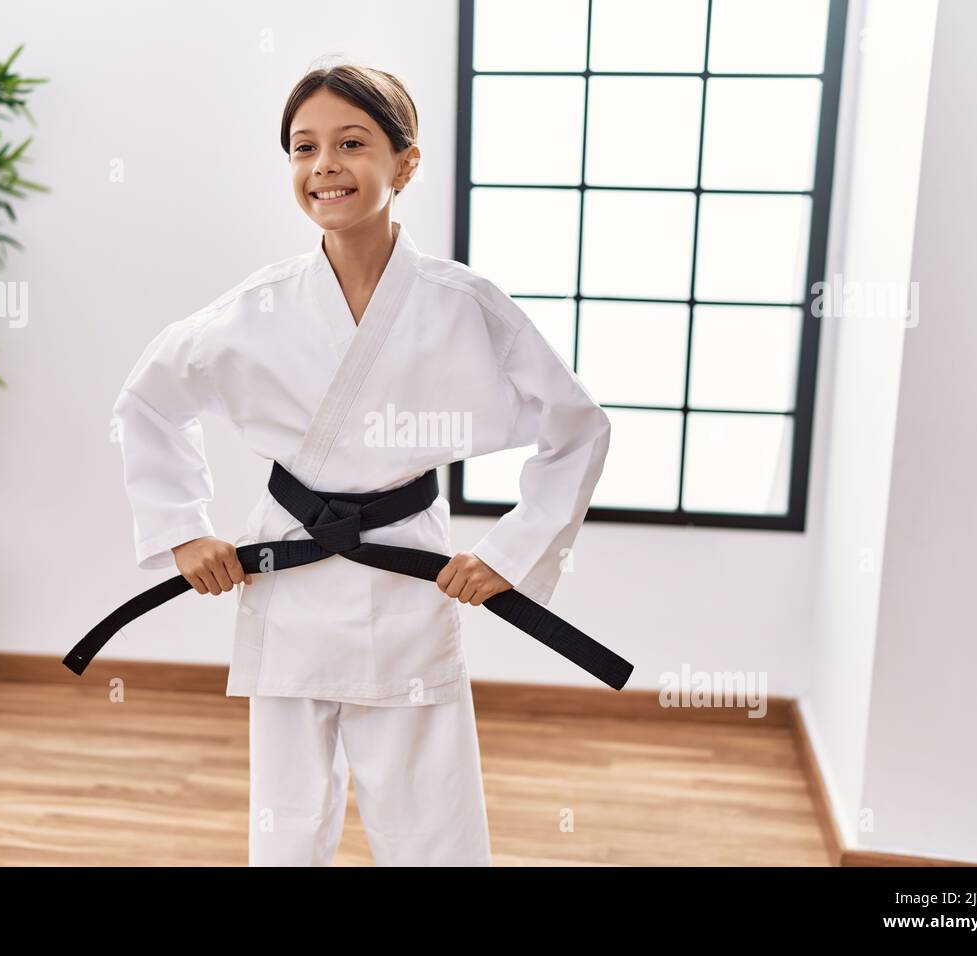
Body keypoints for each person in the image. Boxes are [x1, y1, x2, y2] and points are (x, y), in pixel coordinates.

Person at [111, 63, 611, 866]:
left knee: (431, 826)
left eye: (352, 143)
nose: (325, 167)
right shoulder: (257, 307)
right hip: (288, 574)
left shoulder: (463, 303)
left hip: (407, 571)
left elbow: (578, 428)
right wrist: (181, 531)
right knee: (287, 826)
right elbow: (146, 403)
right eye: (303, 148)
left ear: (405, 164)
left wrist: (510, 554)